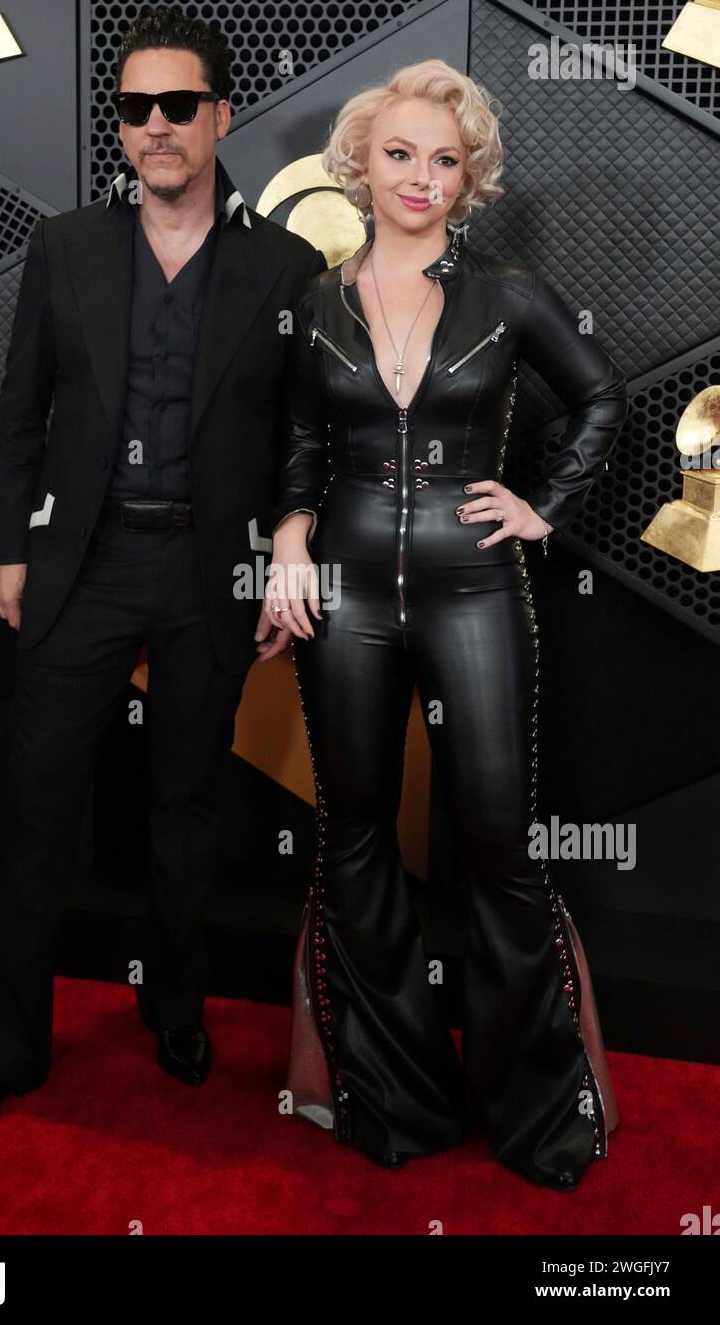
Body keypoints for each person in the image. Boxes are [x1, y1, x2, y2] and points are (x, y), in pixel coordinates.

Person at [0, 5, 326, 1149]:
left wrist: (287, 548)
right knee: (38, 810)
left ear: (219, 116)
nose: (154, 126)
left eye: (177, 106)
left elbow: (306, 431)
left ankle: (176, 1012)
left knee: (187, 813)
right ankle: (2, 1060)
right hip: (81, 564)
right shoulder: (65, 246)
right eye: (135, 107)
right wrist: (7, 550)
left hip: (212, 569)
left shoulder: (286, 266)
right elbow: (20, 416)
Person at [264, 58, 627, 1188]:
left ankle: (538, 1115)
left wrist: (541, 508)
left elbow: (600, 397)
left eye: (444, 160)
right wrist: (285, 541)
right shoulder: (316, 302)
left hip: (475, 590)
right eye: (399, 154)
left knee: (497, 847)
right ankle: (392, 1099)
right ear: (359, 166)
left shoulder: (507, 293)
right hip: (348, 592)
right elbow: (300, 451)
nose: (420, 177)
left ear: (467, 179)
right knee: (358, 837)